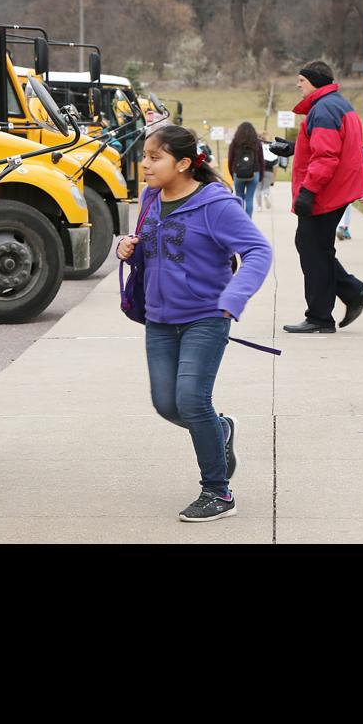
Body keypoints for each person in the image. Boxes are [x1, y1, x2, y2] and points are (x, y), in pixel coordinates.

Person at [116, 124, 271, 523]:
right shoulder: (150, 197)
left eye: (155, 158)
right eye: (145, 156)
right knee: (166, 404)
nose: (145, 164)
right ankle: (220, 431)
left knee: (191, 400)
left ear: (183, 164)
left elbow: (258, 251)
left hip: (206, 316)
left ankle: (218, 492)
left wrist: (233, 298)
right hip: (159, 319)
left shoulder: (216, 205)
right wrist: (127, 249)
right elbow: (156, 250)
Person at [267, 60, 363, 334]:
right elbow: (322, 147)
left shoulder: (323, 110)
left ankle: (320, 316)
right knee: (316, 249)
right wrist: (292, 148)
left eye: (301, 80)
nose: (298, 85)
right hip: (335, 189)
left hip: (326, 192)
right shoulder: (335, 105)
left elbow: (326, 157)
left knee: (313, 250)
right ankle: (351, 292)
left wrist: (308, 192)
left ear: (314, 81)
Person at [226, 121, 264, 216]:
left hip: (238, 173)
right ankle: (248, 221)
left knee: (239, 197)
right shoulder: (257, 143)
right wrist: (261, 176)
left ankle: (240, 220)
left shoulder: (234, 143)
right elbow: (261, 161)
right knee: (249, 198)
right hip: (254, 173)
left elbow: (230, 160)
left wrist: (232, 173)